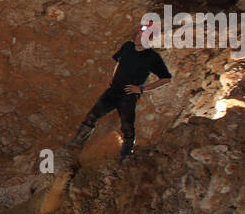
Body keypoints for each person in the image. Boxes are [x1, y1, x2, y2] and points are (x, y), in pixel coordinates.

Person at [68, 19, 172, 163]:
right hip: (113, 91)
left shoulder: (152, 58)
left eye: (142, 35)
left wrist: (142, 89)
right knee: (92, 116)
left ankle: (126, 155)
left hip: (128, 96)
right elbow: (118, 61)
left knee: (127, 126)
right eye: (138, 33)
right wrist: (113, 77)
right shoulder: (128, 46)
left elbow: (166, 79)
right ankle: (77, 143)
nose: (137, 37)